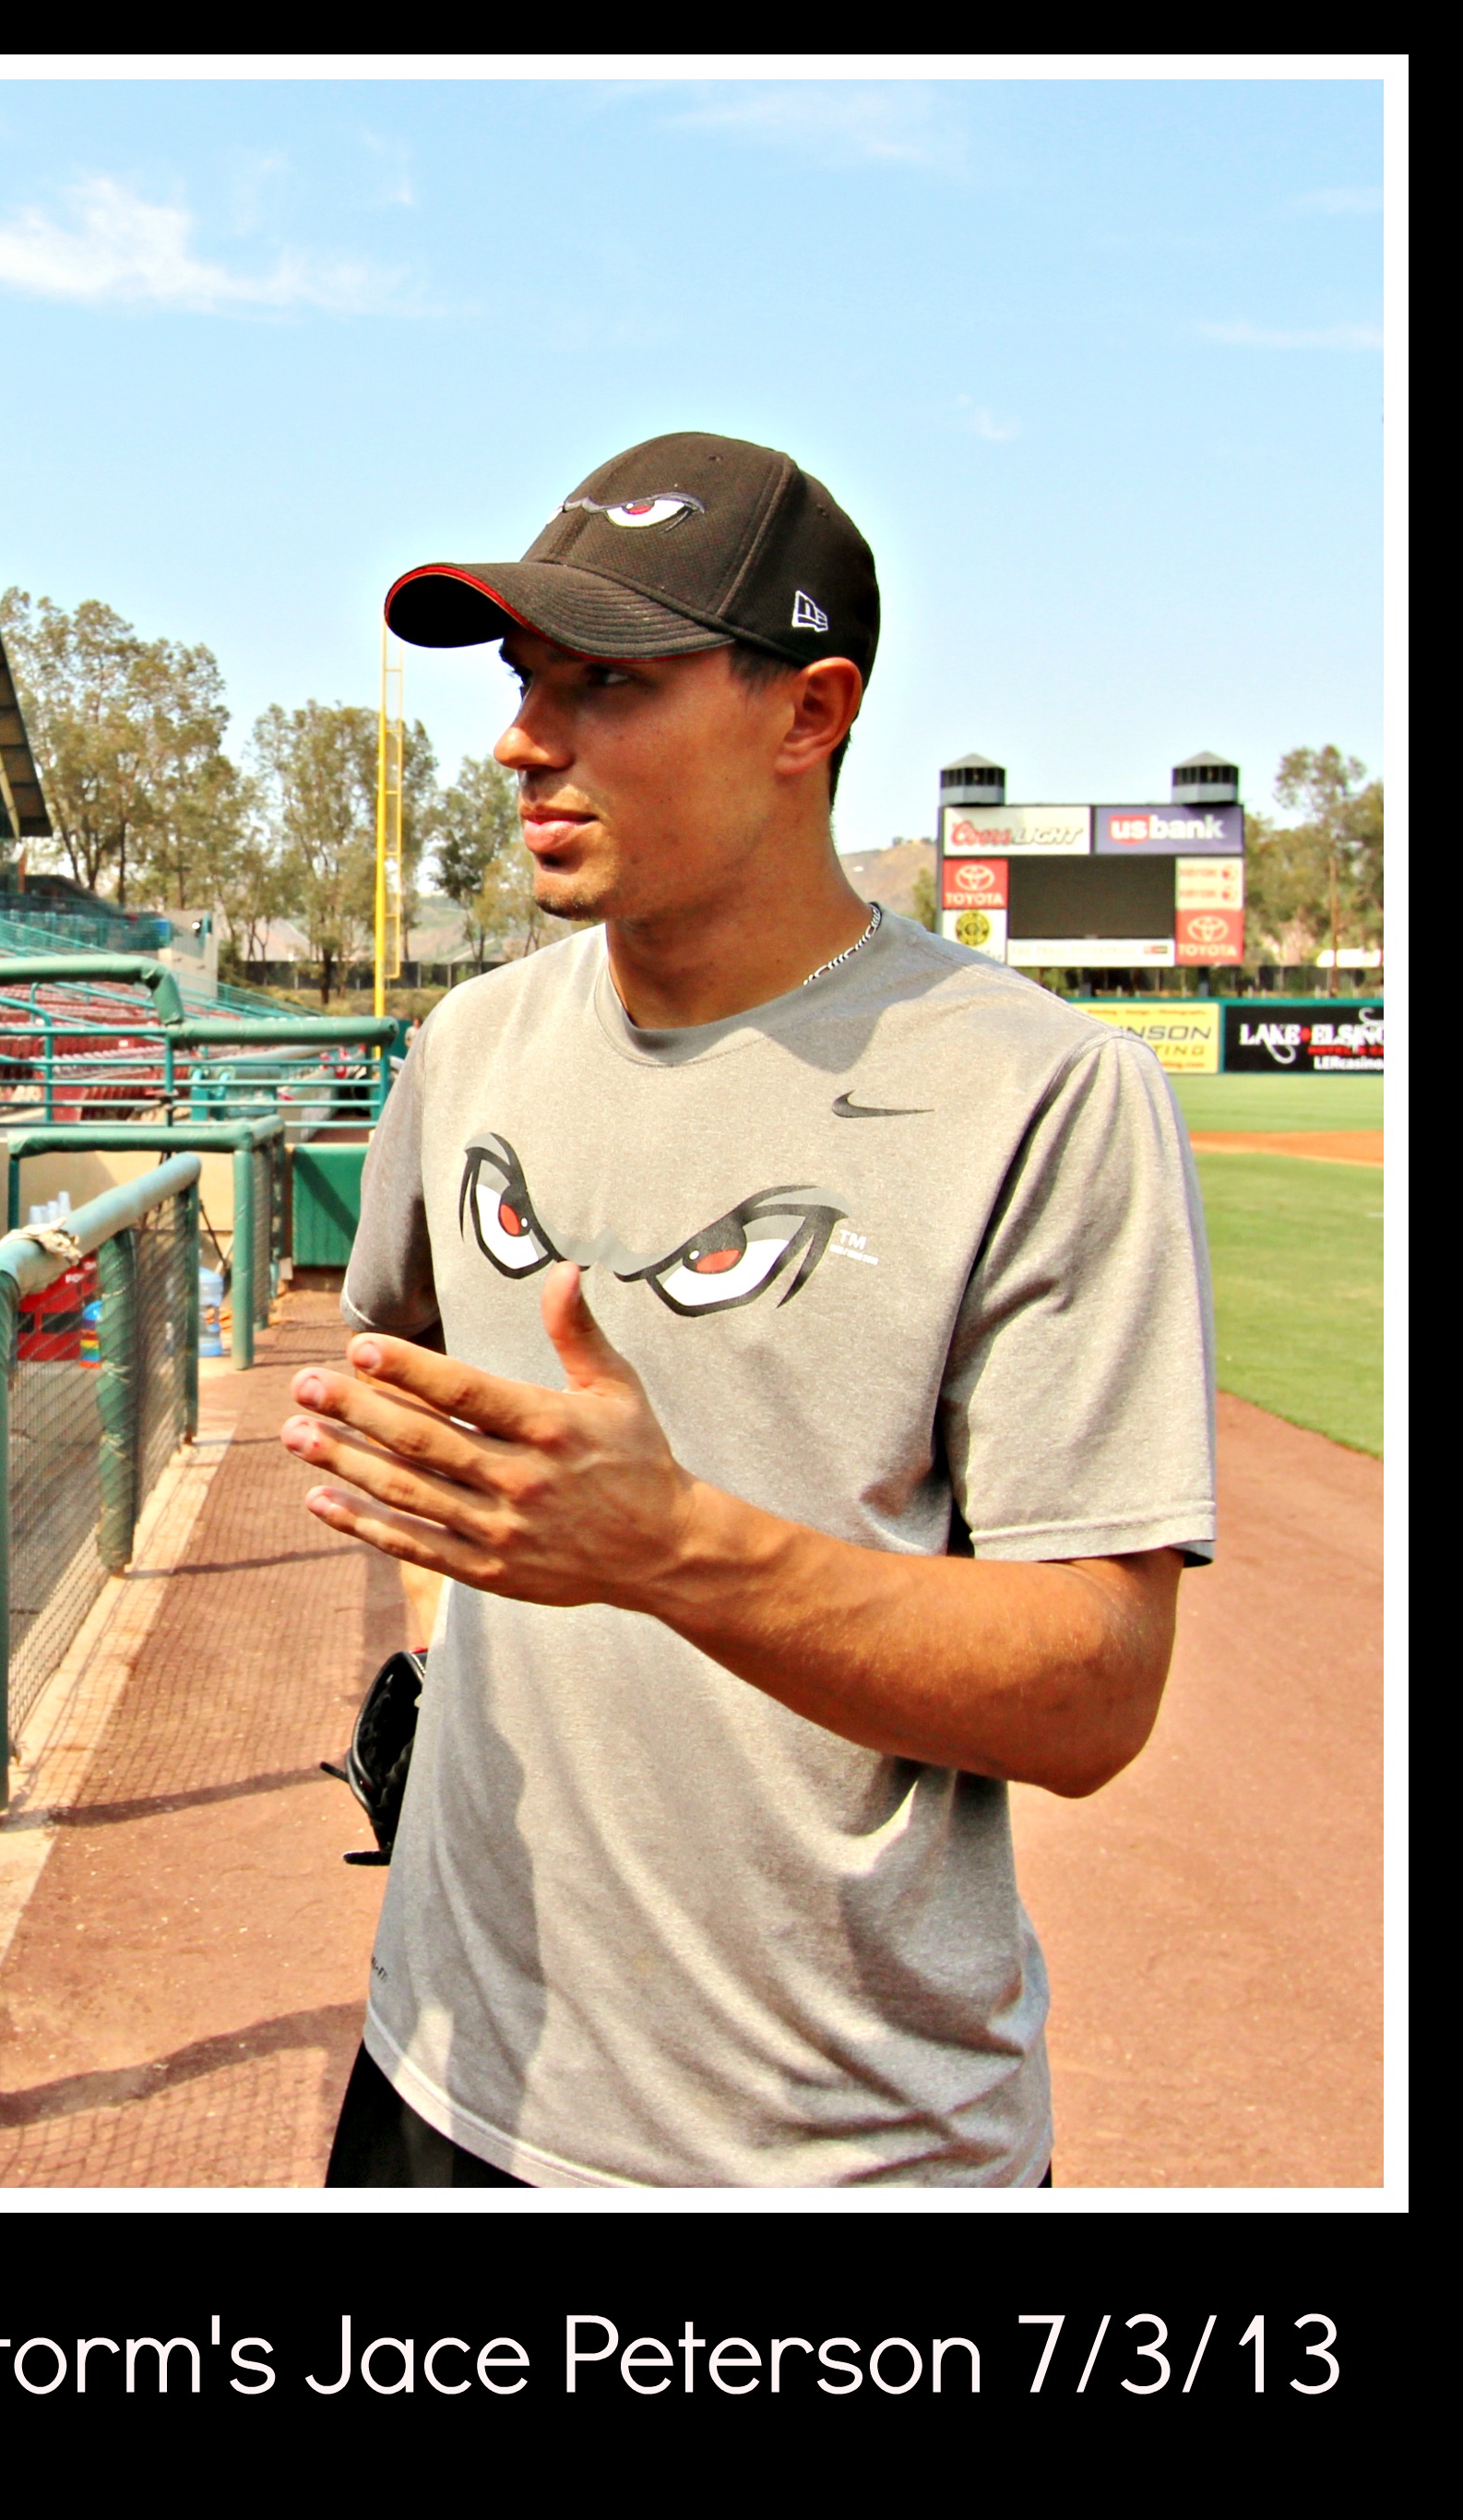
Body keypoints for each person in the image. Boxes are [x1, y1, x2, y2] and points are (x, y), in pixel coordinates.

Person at [291, 431, 1212, 2189]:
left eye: (607, 683)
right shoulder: (467, 1045)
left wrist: (663, 1548)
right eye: (521, 679)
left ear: (806, 714)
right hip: (445, 2073)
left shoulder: (1044, 1094)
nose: (520, 741)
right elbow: (420, 1397)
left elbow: (1092, 1693)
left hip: (830, 2146)